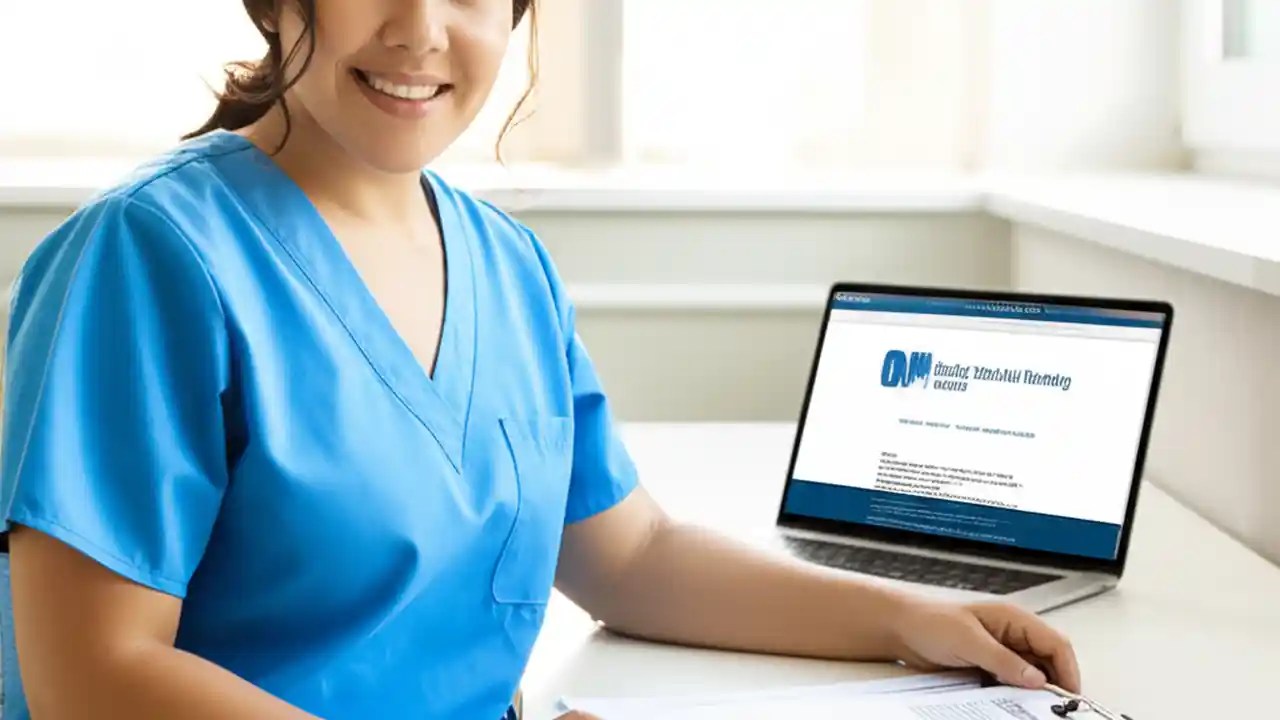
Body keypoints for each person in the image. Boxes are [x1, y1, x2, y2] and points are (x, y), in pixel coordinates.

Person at [0, 1, 1081, 718]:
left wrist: (905, 620)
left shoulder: (504, 262)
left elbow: (630, 554)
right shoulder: (148, 255)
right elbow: (95, 675)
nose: (420, 29)